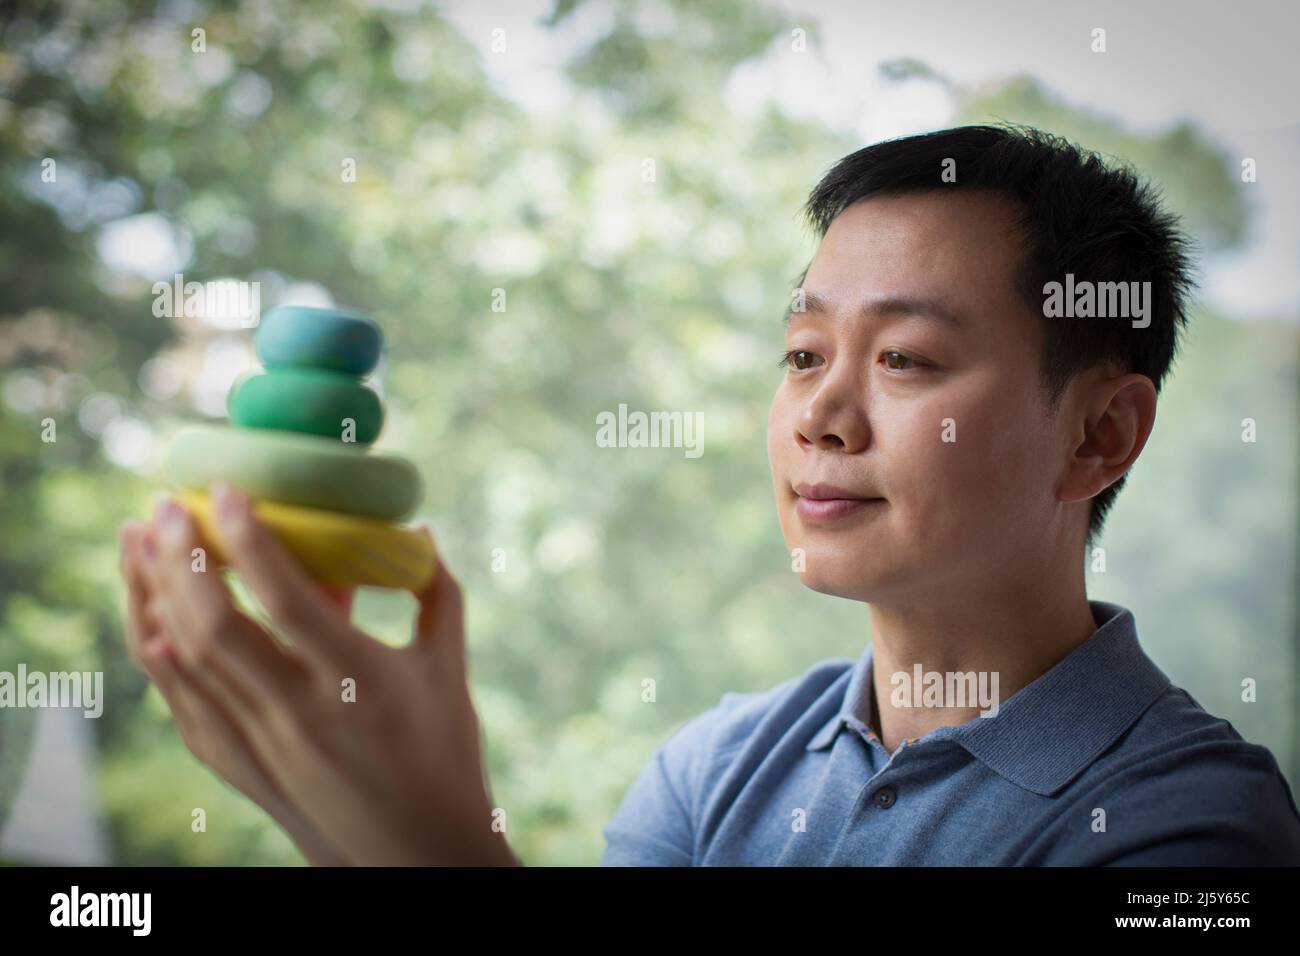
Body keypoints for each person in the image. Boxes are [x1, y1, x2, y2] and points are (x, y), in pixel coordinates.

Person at [119, 125, 1300, 866]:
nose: (818, 414)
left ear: (1100, 433)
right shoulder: (715, 767)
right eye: (800, 352)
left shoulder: (1189, 824)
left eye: (903, 359)